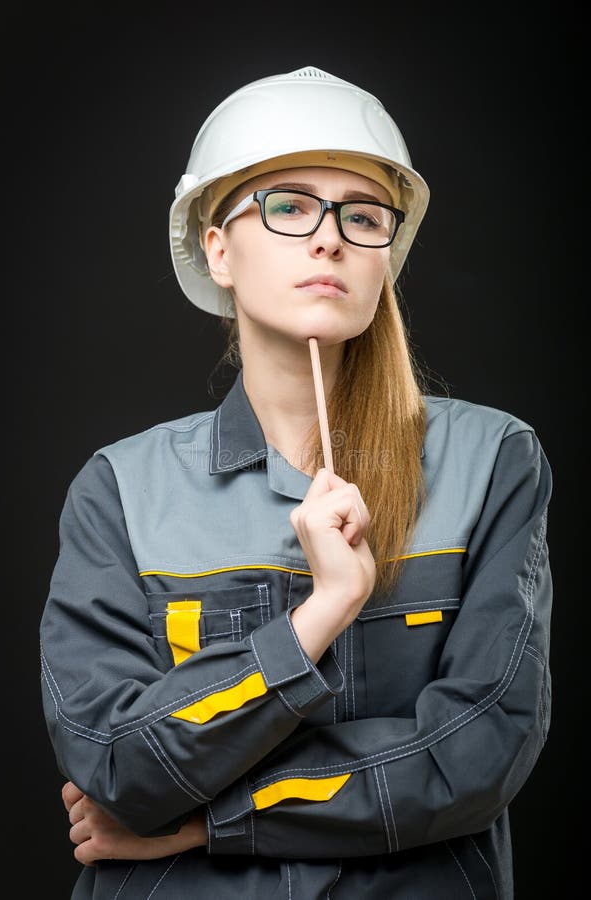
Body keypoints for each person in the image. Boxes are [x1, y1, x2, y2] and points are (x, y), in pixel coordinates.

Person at [40, 65, 553, 900]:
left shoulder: (492, 459)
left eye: (360, 215)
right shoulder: (120, 489)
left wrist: (211, 821)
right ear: (217, 249)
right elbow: (115, 764)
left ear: (386, 252)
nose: (329, 239)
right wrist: (317, 617)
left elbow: (476, 750)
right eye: (287, 205)